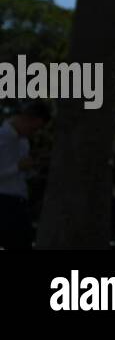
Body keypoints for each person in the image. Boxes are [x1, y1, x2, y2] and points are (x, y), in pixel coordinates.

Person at [0, 100, 50, 251]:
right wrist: (17, 167)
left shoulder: (24, 142)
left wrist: (32, 169)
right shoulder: (2, 138)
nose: (33, 133)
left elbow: (21, 175)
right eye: (34, 128)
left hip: (19, 202)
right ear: (27, 118)